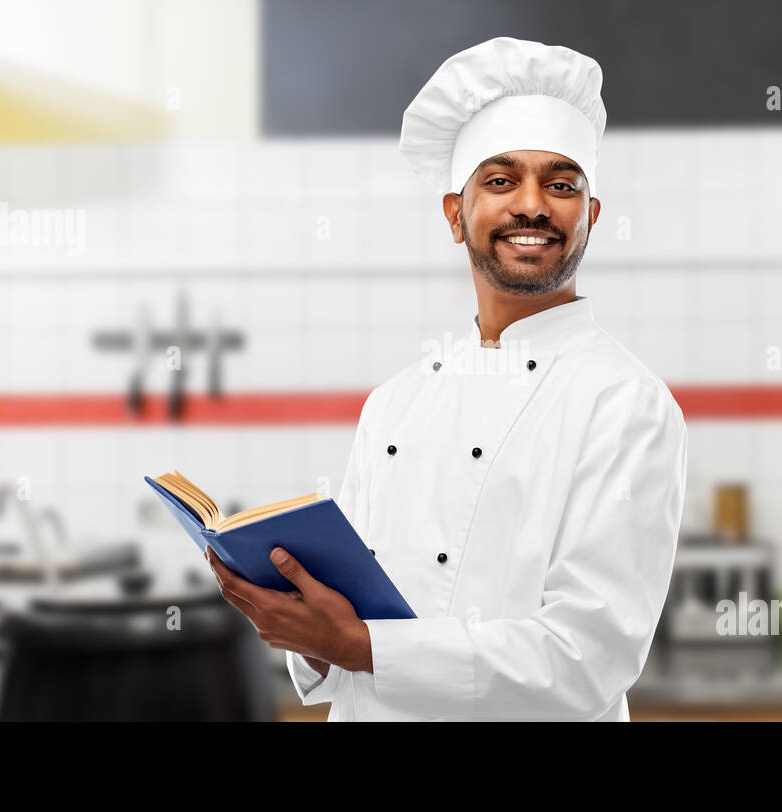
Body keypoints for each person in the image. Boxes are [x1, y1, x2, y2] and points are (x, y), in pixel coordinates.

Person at [206, 36, 687, 721]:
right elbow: (348, 639)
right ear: (454, 214)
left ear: (591, 217)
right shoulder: (395, 404)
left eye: (561, 183)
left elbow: (588, 660)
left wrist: (362, 646)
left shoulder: (624, 402)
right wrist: (308, 637)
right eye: (500, 181)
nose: (532, 206)